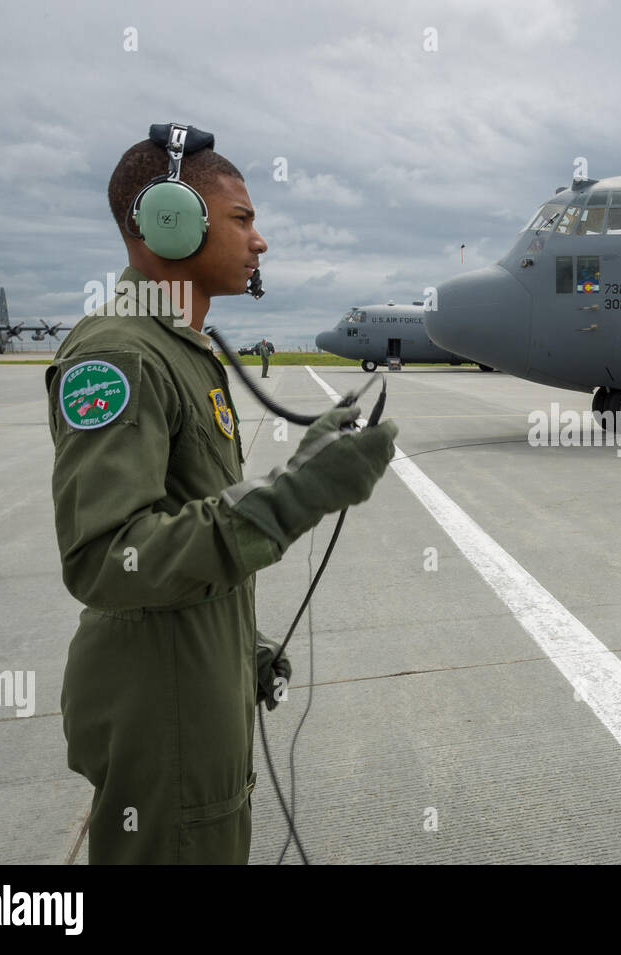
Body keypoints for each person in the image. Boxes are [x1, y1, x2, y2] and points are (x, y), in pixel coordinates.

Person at [45, 124, 398, 864]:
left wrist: (241, 646)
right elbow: (110, 557)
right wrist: (292, 498)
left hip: (194, 679)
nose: (259, 240)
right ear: (169, 223)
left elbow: (184, 520)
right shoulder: (121, 352)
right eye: (241, 219)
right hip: (161, 707)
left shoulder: (181, 350)